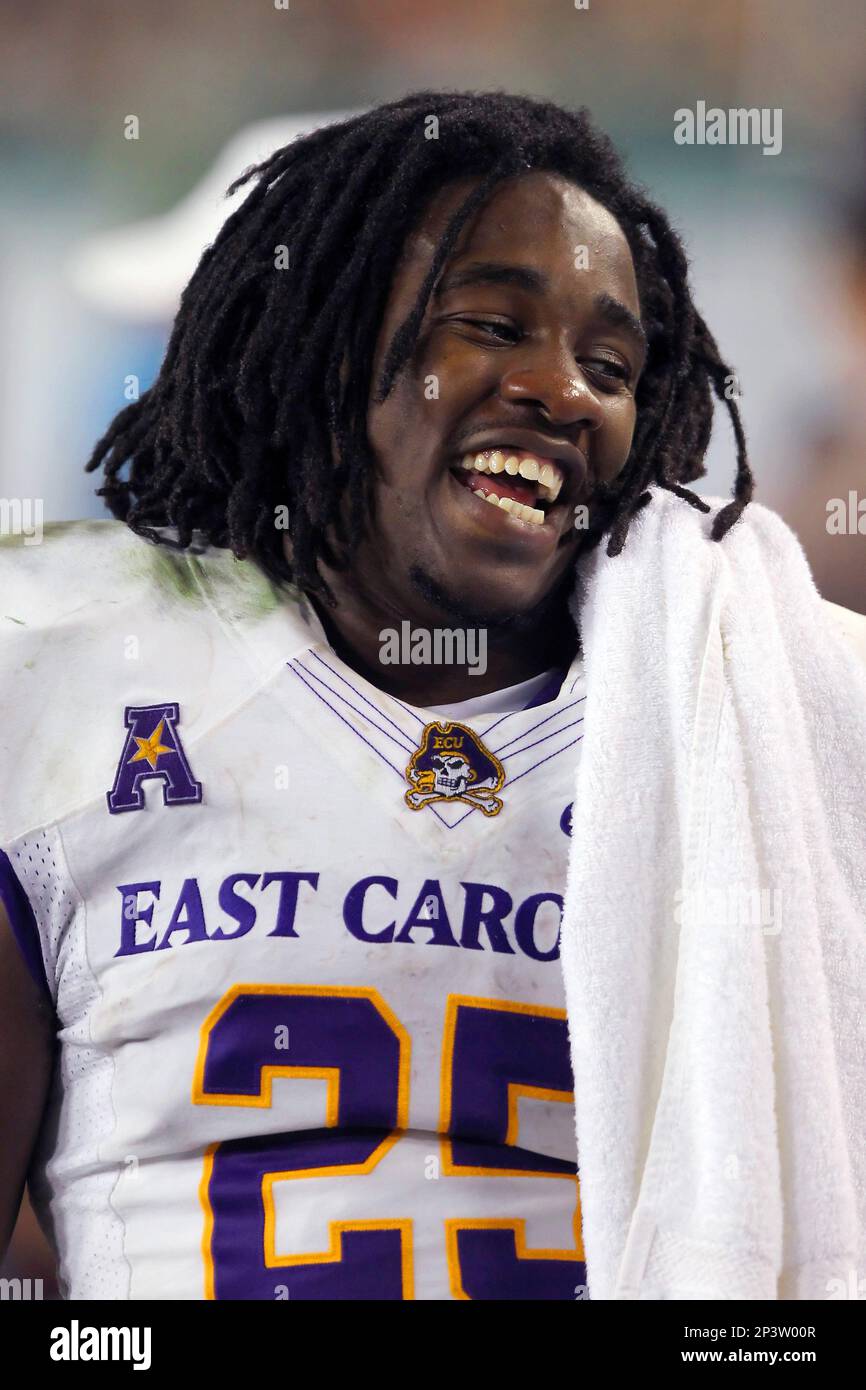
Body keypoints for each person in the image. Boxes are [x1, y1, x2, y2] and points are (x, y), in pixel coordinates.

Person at [1, 91, 863, 1302]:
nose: (563, 391)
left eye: (608, 365)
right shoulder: (59, 672)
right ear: (317, 340)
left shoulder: (750, 706)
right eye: (491, 323)